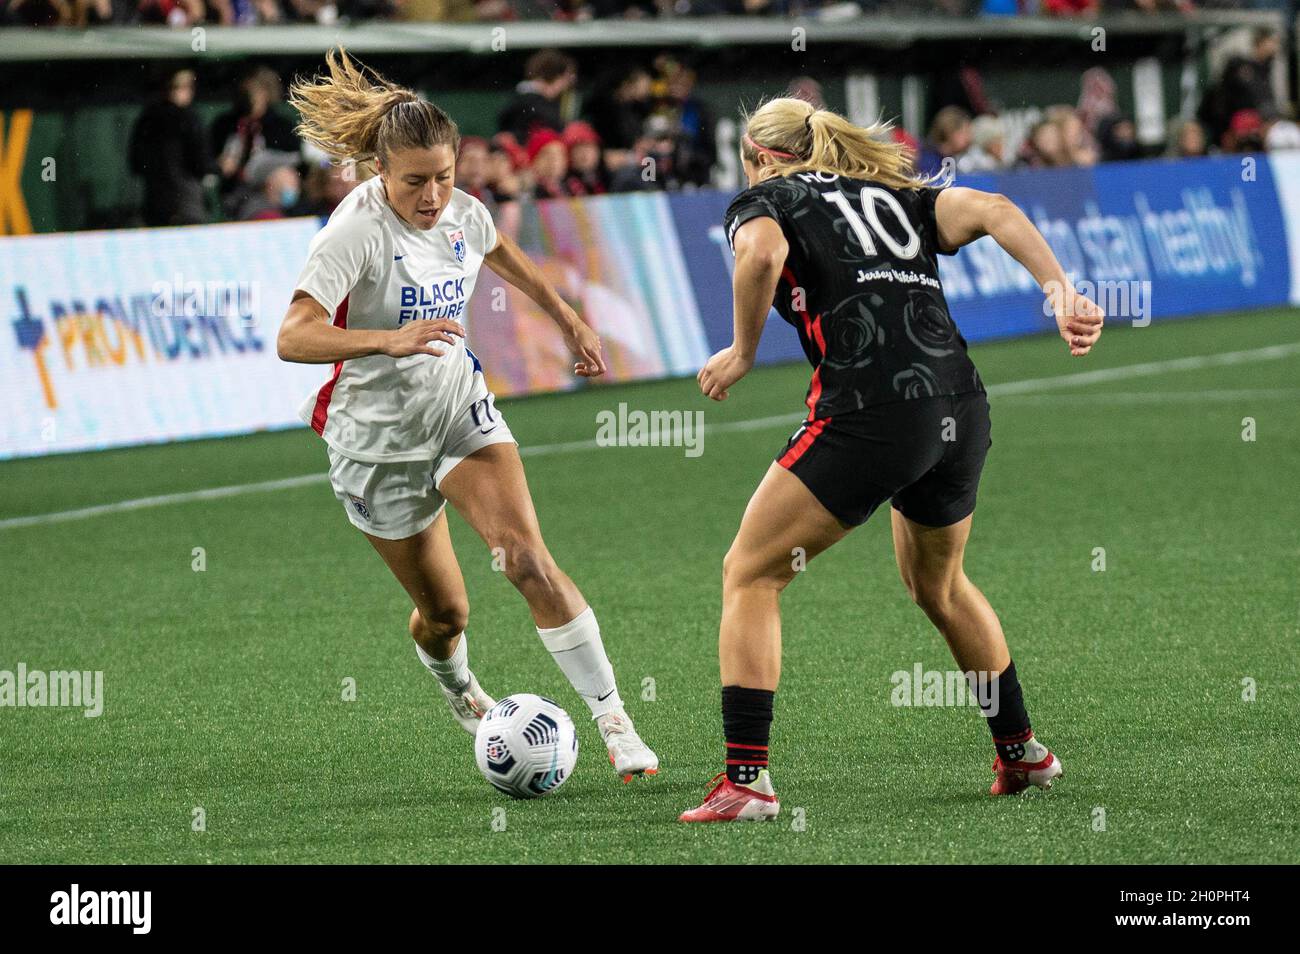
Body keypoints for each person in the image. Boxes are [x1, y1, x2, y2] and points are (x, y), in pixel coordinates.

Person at [679, 98, 1103, 823]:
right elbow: (997, 208)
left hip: (873, 411)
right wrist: (1059, 289)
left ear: (756, 155)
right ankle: (1023, 752)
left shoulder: (765, 200)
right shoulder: (897, 196)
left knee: (750, 573)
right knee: (938, 585)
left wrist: (744, 351)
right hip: (959, 407)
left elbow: (760, 254)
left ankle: (746, 782)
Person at [278, 50, 658, 781]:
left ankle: (615, 722)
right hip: (374, 444)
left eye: (444, 177)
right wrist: (387, 339)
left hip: (457, 408)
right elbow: (293, 335)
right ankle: (461, 691)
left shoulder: (461, 212)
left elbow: (500, 249)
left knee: (524, 557)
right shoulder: (351, 233)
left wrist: (567, 317)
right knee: (446, 615)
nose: (433, 195)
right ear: (380, 173)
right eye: (415, 181)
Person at [128, 68, 209, 227]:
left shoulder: (146, 119)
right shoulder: (189, 119)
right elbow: (202, 164)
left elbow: (136, 165)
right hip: (187, 204)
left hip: (155, 205)